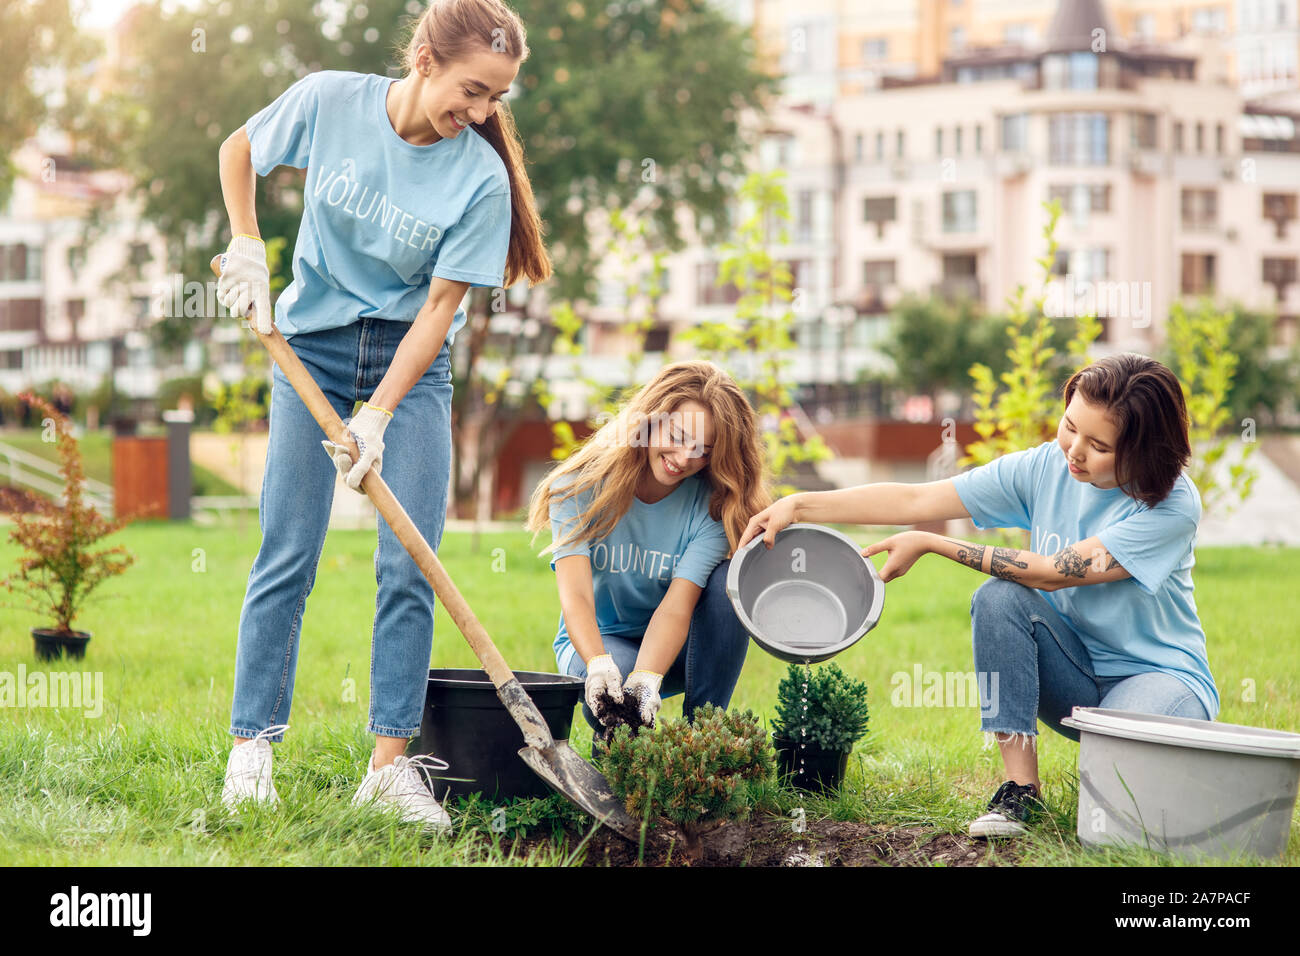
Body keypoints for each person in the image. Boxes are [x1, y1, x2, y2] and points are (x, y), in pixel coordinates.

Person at [215, 0, 550, 829]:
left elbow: (439, 310)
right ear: (427, 58)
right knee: (287, 549)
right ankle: (251, 750)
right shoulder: (330, 100)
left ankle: (390, 766)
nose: (478, 114)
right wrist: (249, 242)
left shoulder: (480, 177)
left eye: (494, 101)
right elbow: (241, 148)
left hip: (412, 365)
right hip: (312, 349)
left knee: (411, 562)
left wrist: (378, 416)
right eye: (472, 90)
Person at [740, 353, 1219, 839]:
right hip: (1075, 674)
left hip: (1157, 680)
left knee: (1121, 811)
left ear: (1142, 452)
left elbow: (1053, 573)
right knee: (998, 599)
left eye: (1098, 445)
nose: (1074, 450)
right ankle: (1020, 792)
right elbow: (918, 500)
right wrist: (798, 505)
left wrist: (933, 542)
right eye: (1069, 426)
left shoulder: (1172, 506)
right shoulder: (1045, 467)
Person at [526, 361, 773, 737]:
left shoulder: (714, 507)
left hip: (681, 648)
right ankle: (617, 749)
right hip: (602, 639)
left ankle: (699, 742)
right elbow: (575, 596)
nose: (684, 458)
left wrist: (647, 678)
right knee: (616, 695)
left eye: (703, 450)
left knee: (728, 581)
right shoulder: (578, 488)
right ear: (649, 421)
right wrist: (597, 664)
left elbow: (678, 604)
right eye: (676, 435)